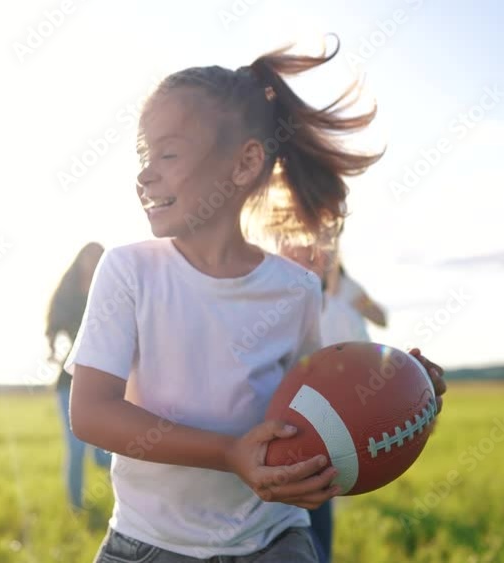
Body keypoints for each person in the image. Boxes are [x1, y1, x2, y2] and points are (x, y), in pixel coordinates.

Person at [66, 40, 447, 562]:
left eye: (168, 154)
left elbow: (316, 400)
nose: (146, 172)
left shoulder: (295, 289)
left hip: (273, 541)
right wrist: (228, 453)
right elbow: (90, 413)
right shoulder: (128, 270)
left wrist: (405, 383)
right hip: (150, 544)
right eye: (143, 154)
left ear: (244, 163)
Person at [282, 232, 388, 563]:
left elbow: (381, 319)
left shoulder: (346, 296)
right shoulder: (273, 294)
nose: (312, 253)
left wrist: (362, 305)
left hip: (333, 421)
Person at [45, 242, 112, 511]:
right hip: (68, 382)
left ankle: (127, 498)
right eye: (89, 256)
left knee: (104, 450)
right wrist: (52, 349)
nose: (93, 261)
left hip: (104, 381)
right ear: (80, 260)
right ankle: (76, 508)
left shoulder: (110, 292)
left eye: (99, 257)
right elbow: (52, 326)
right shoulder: (68, 294)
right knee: (75, 448)